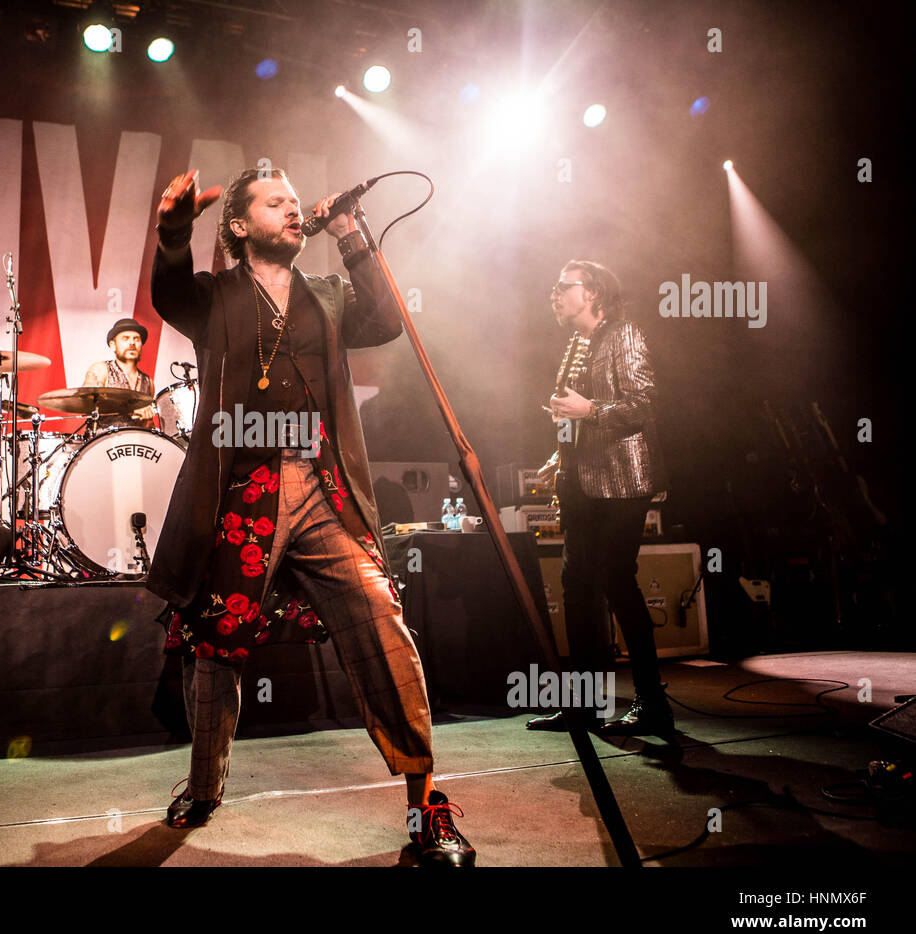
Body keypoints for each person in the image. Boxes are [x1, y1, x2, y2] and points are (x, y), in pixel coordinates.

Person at [145, 166, 474, 866]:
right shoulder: (214, 297)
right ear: (240, 226)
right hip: (242, 492)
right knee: (216, 646)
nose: (293, 210)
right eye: (276, 203)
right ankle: (203, 786)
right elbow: (167, 290)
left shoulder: (327, 294)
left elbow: (386, 319)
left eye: (297, 202)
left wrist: (350, 231)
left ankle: (425, 806)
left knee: (381, 619)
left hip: (324, 487)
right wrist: (173, 230)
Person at [529, 260, 673, 737]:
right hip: (580, 481)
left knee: (616, 580)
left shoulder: (624, 333)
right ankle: (585, 705)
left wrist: (588, 410)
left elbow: (644, 404)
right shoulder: (576, 343)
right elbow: (574, 417)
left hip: (622, 481)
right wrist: (560, 454)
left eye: (562, 286)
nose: (554, 294)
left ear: (591, 293)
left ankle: (653, 703)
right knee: (576, 586)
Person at [82, 318, 156, 427]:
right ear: (113, 345)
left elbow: (147, 426)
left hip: (135, 438)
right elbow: (87, 403)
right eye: (125, 338)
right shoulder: (101, 369)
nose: (132, 343)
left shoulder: (148, 382)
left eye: (136, 339)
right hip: (104, 437)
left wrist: (147, 419)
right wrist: (131, 409)